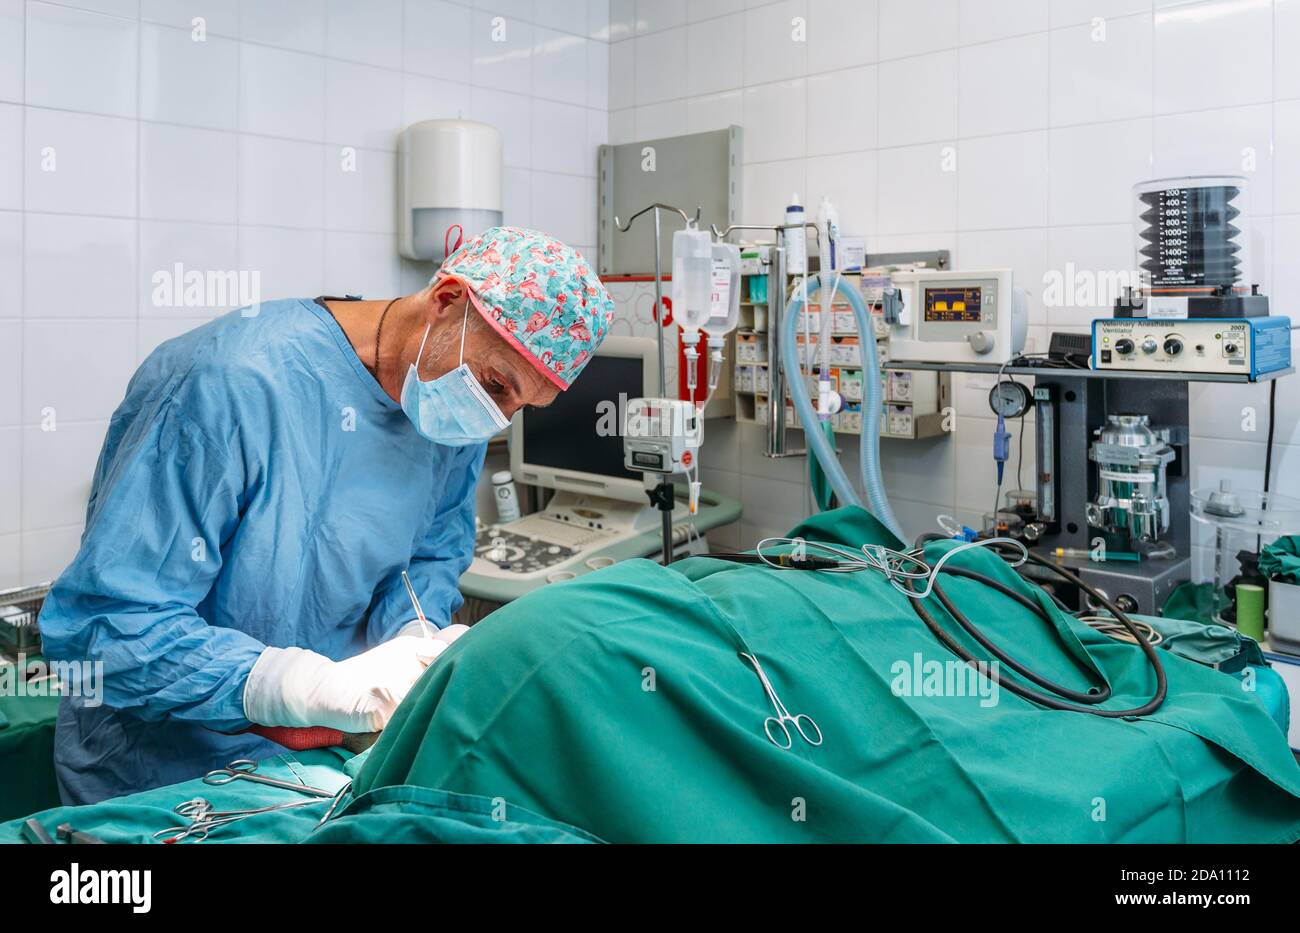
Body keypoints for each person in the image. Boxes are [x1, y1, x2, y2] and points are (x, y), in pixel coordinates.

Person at [39, 227, 614, 804]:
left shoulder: (452, 409)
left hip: (320, 762)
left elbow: (426, 559)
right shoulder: (230, 383)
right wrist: (293, 683)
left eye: (522, 407)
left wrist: (413, 639)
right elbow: (103, 628)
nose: (497, 417)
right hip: (163, 776)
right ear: (446, 300)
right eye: (496, 386)